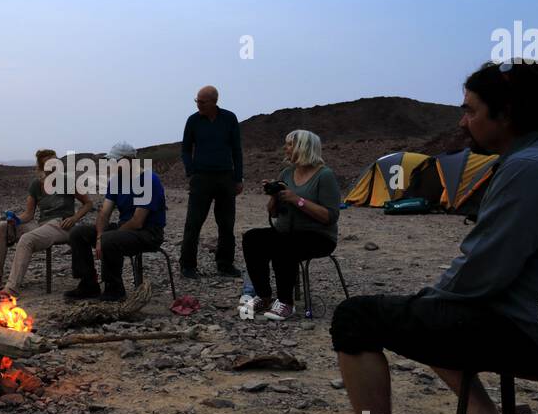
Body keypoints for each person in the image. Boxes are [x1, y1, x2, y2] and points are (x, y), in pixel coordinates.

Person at [300, 61, 538, 414]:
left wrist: (425, 302)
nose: (462, 120)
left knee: (359, 317)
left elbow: (482, 272)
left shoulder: (532, 170)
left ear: (505, 113)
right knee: (428, 309)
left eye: (470, 110)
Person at [241, 130, 339, 321]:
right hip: (286, 231)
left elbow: (330, 216)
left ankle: (286, 303)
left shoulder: (324, 175)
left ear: (303, 147)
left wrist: (297, 200)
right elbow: (274, 213)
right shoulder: (286, 173)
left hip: (318, 236)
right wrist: (274, 196)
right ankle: (264, 296)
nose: (285, 148)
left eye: (289, 144)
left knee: (284, 246)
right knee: (252, 238)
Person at [0, 150, 93, 296]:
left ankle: (11, 289)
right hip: (42, 225)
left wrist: (74, 218)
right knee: (2, 227)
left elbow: (88, 203)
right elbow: (28, 214)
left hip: (62, 224)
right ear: (42, 167)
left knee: (27, 239)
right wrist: (16, 220)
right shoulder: (36, 185)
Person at [66, 142, 166, 301]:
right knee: (79, 233)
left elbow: (138, 221)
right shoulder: (117, 180)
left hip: (148, 232)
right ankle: (89, 285)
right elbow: (104, 213)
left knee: (110, 239)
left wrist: (106, 237)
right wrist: (99, 236)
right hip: (125, 228)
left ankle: (115, 289)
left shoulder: (149, 180)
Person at [180, 85, 243, 279]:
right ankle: (187, 265)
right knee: (193, 223)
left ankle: (225, 264)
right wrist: (191, 172)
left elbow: (237, 150)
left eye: (202, 102)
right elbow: (185, 149)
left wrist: (238, 178)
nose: (198, 104)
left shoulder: (229, 118)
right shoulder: (193, 120)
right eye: (196, 101)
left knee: (226, 223)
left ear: (214, 102)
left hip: (226, 177)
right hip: (201, 178)